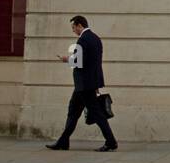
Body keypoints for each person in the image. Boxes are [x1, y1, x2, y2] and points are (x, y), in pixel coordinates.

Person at [46, 15, 118, 151]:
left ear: (80, 25)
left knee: (97, 114)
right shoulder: (96, 38)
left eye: (74, 27)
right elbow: (95, 63)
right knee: (73, 111)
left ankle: (111, 142)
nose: (73, 30)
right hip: (88, 83)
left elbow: (80, 62)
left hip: (84, 84)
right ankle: (63, 141)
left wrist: (66, 59)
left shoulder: (83, 40)